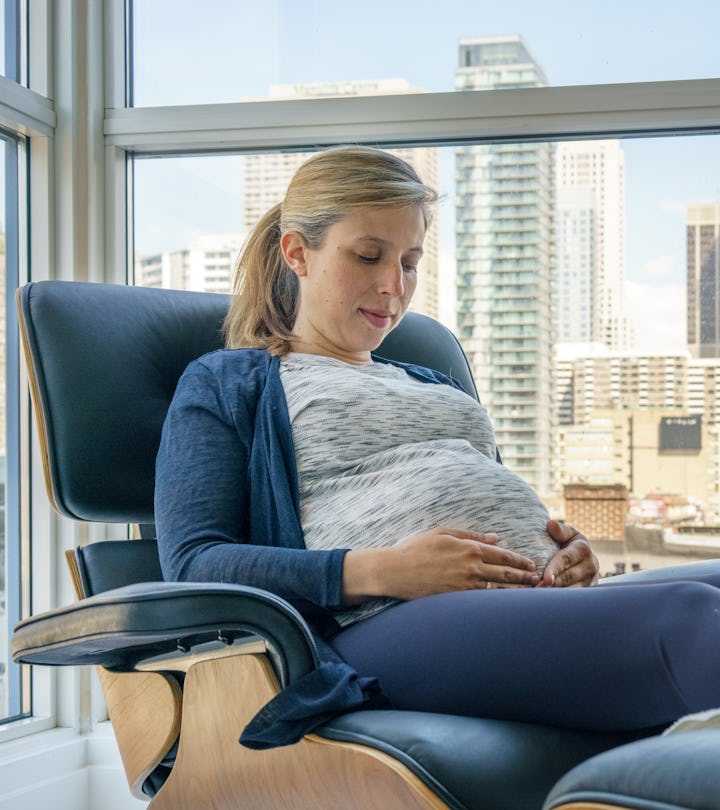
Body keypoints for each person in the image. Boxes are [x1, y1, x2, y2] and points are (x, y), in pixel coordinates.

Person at [155, 145, 720, 748]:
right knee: (688, 620)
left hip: (523, 606)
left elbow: (492, 506)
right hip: (381, 626)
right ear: (298, 252)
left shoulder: (433, 382)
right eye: (368, 255)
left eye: (410, 262)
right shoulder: (229, 382)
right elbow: (195, 564)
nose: (392, 286)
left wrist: (569, 550)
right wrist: (384, 570)